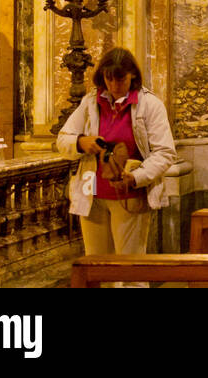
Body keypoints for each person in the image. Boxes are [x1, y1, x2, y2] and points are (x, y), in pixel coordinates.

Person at [56, 48, 176, 283]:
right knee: (97, 266)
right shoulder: (90, 102)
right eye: (108, 78)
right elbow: (62, 140)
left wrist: (136, 177)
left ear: (132, 75)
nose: (113, 84)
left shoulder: (149, 104)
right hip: (92, 194)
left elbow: (164, 153)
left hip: (129, 196)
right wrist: (80, 142)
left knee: (130, 270)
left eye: (119, 78)